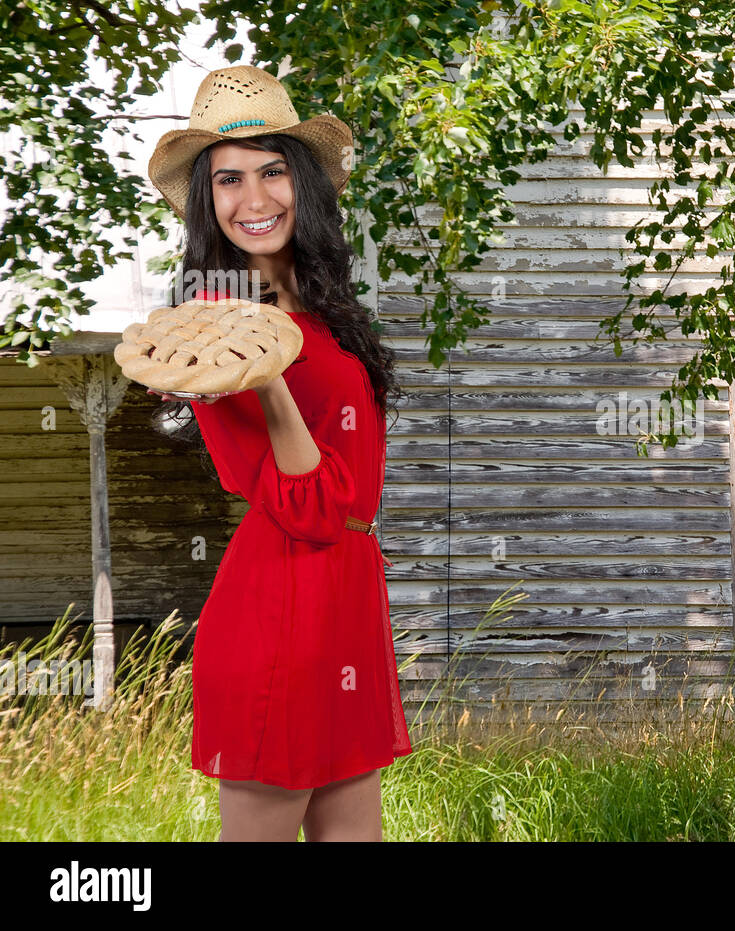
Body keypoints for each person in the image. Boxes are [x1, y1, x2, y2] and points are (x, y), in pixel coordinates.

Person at [145, 65, 413, 841]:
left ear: (304, 184)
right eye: (228, 180)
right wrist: (262, 376)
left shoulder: (323, 305)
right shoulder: (209, 331)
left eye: (272, 172)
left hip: (347, 599)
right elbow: (315, 502)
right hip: (282, 607)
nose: (254, 199)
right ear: (207, 200)